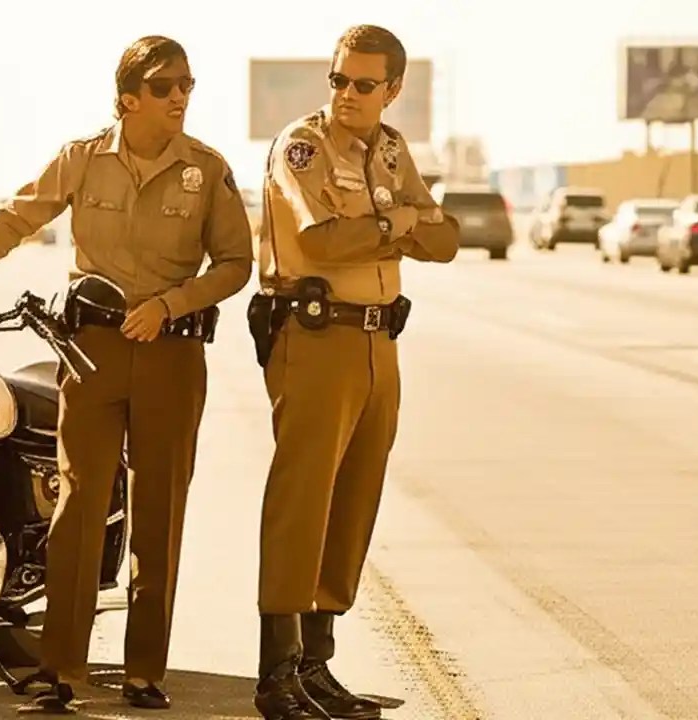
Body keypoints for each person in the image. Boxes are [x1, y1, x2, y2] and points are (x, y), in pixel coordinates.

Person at [0, 35, 253, 713]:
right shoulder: (83, 159)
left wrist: (172, 304)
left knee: (159, 511)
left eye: (188, 85)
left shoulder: (207, 168)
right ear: (128, 99)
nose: (180, 97)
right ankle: (61, 671)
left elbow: (235, 262)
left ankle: (145, 672)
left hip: (171, 354)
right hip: (91, 355)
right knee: (79, 506)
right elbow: (14, 219)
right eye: (167, 86)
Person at [245, 24, 460, 720]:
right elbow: (319, 239)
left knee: (353, 501)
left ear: (393, 89)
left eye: (364, 84)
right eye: (338, 80)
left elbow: (448, 239)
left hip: (376, 342)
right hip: (314, 338)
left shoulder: (392, 150)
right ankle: (276, 674)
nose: (347, 94)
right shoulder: (302, 146)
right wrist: (400, 221)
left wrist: (386, 220)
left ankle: (316, 664)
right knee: (302, 499)